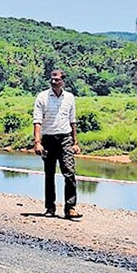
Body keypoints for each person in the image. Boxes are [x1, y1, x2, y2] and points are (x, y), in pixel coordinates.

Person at [33, 69, 82, 219]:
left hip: (65, 138)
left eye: (57, 79)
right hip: (48, 139)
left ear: (63, 81)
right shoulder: (42, 97)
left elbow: (72, 120)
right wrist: (37, 142)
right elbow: (37, 121)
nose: (54, 82)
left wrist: (75, 142)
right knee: (49, 175)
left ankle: (70, 208)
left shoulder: (70, 98)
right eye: (52, 79)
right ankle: (50, 208)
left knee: (69, 172)